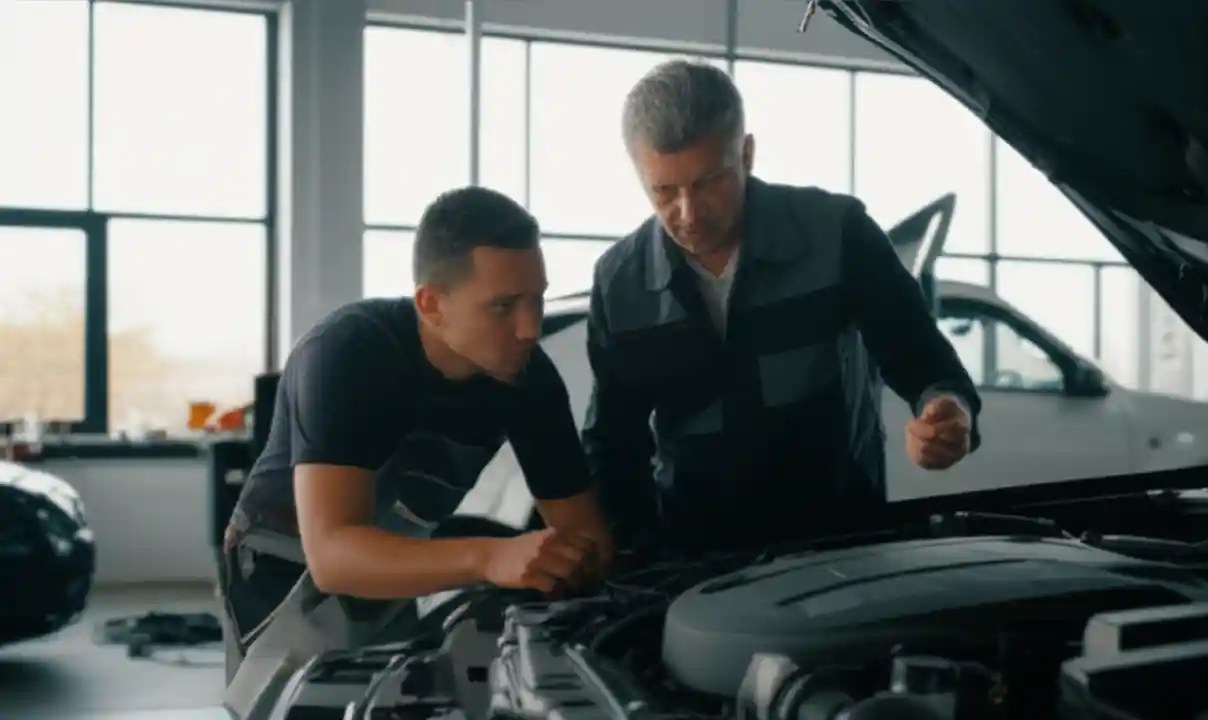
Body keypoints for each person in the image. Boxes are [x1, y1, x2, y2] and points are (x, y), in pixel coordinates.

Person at [220, 186, 613, 717]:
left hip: (393, 561)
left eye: (536, 299)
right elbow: (332, 557)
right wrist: (491, 557)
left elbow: (584, 536)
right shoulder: (350, 352)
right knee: (298, 706)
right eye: (502, 307)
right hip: (285, 568)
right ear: (431, 304)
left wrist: (582, 563)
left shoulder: (528, 380)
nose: (529, 328)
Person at [582, 59, 983, 554]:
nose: (688, 213)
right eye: (663, 190)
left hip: (842, 541)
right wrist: (635, 556)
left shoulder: (838, 233)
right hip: (695, 557)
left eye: (709, 181)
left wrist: (947, 412)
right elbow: (613, 443)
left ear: (747, 153)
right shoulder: (619, 283)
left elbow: (922, 359)